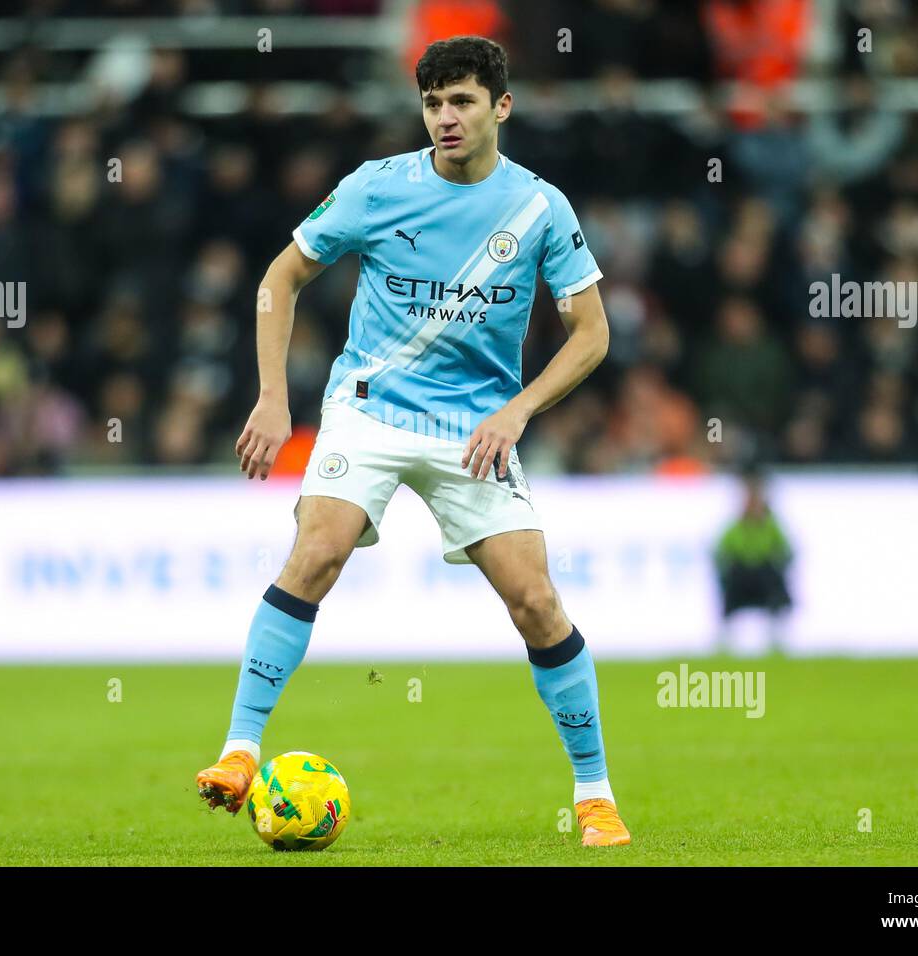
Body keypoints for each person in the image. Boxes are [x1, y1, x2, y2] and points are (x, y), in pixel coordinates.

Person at [195, 36, 628, 846]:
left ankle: (595, 793)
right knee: (317, 551)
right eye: (432, 103)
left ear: (501, 106)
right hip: (370, 405)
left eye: (462, 101)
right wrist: (271, 397)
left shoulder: (540, 208)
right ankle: (240, 749)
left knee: (535, 601)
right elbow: (280, 277)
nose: (445, 118)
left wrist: (520, 409)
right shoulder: (376, 187)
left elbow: (592, 333)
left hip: (475, 426)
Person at [713, 471, 794, 654]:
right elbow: (721, 551)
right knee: (733, 582)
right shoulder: (735, 527)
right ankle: (726, 640)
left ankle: (776, 638)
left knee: (772, 580)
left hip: (765, 575)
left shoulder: (771, 526)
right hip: (741, 576)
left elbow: (786, 550)